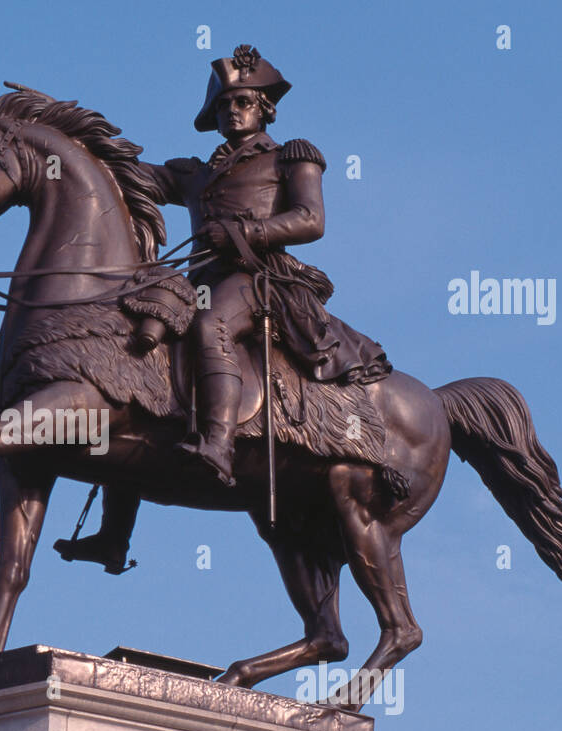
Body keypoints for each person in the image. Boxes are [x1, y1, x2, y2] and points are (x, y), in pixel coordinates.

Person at [54, 45, 392, 573]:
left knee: (211, 325)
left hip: (260, 278)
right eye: (225, 104)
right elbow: (133, 176)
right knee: (131, 371)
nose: (232, 110)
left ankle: (217, 443)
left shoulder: (291, 156)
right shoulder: (195, 172)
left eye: (243, 101)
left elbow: (310, 220)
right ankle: (113, 535)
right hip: (203, 280)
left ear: (264, 108)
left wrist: (244, 232)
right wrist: (74, 145)